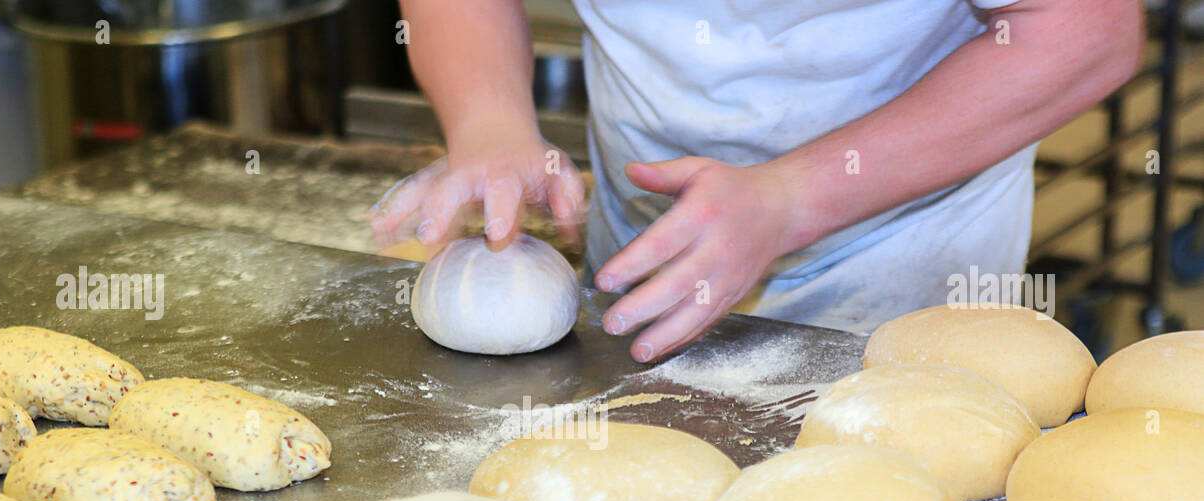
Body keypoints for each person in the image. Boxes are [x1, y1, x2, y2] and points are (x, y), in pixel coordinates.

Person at [371, 0, 1143, 362]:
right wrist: (488, 120)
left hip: (898, 239)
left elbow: (1084, 32)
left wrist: (797, 197)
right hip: (645, 244)